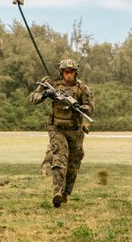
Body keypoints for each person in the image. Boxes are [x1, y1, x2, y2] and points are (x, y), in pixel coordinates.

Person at [30, 58, 93, 207]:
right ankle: (56, 193)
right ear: (62, 72)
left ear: (75, 73)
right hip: (56, 128)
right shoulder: (52, 84)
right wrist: (46, 94)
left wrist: (79, 107)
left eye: (71, 72)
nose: (69, 75)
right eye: (66, 72)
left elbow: (90, 108)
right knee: (59, 158)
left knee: (73, 164)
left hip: (75, 130)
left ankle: (65, 193)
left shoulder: (83, 89)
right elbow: (33, 99)